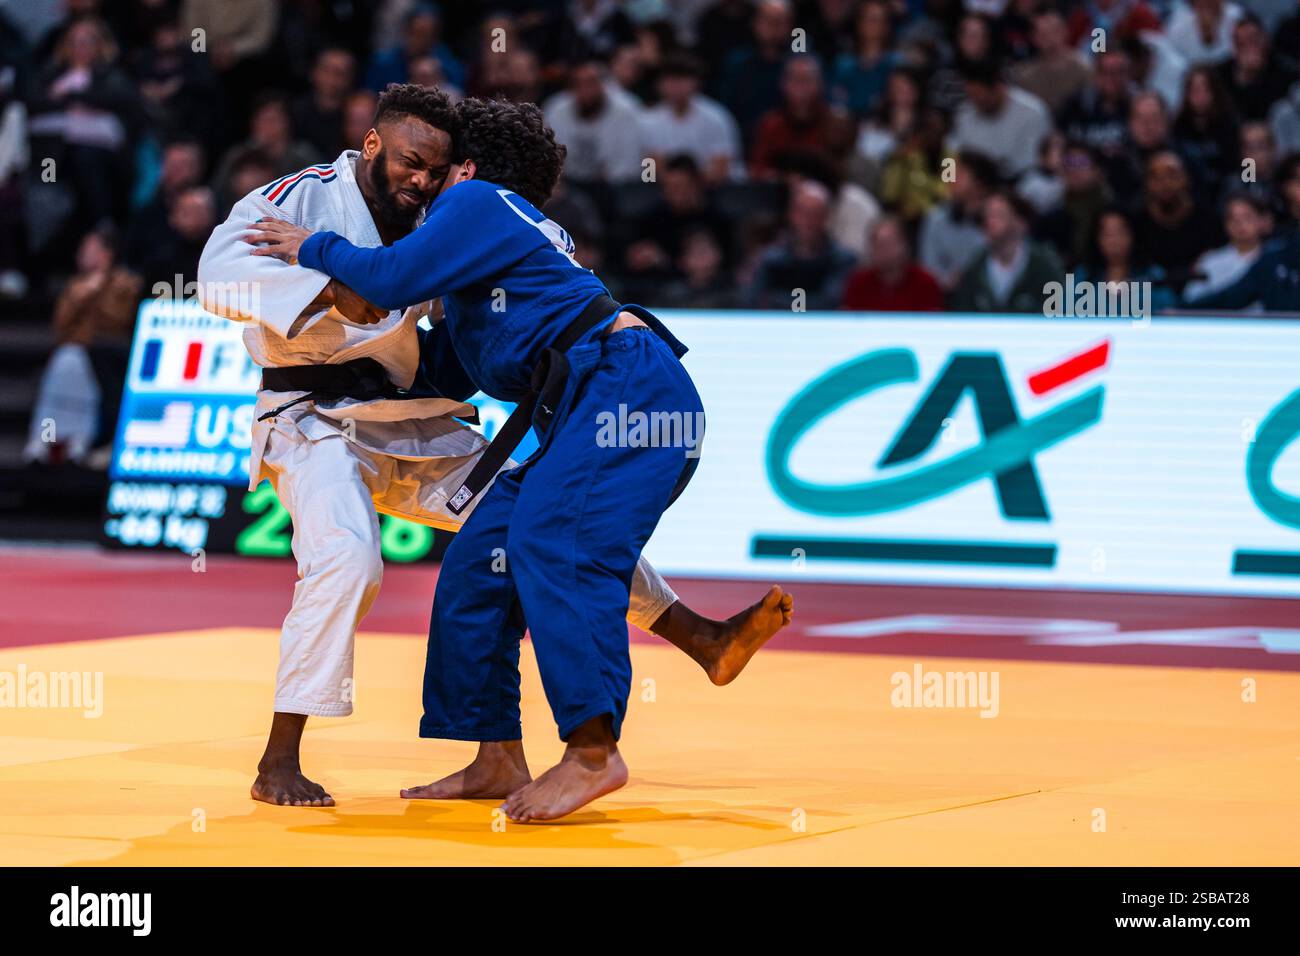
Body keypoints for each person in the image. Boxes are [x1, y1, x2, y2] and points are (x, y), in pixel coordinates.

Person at [202, 85, 791, 809]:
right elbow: (226, 280)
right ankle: (479, 755)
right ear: (376, 142)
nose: (421, 181)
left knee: (554, 538)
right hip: (330, 410)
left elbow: (396, 294)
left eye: (437, 167)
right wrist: (327, 293)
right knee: (461, 557)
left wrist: (335, 269)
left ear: (468, 169)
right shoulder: (325, 201)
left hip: (584, 395)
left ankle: (594, 747)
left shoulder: (467, 214)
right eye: (415, 162)